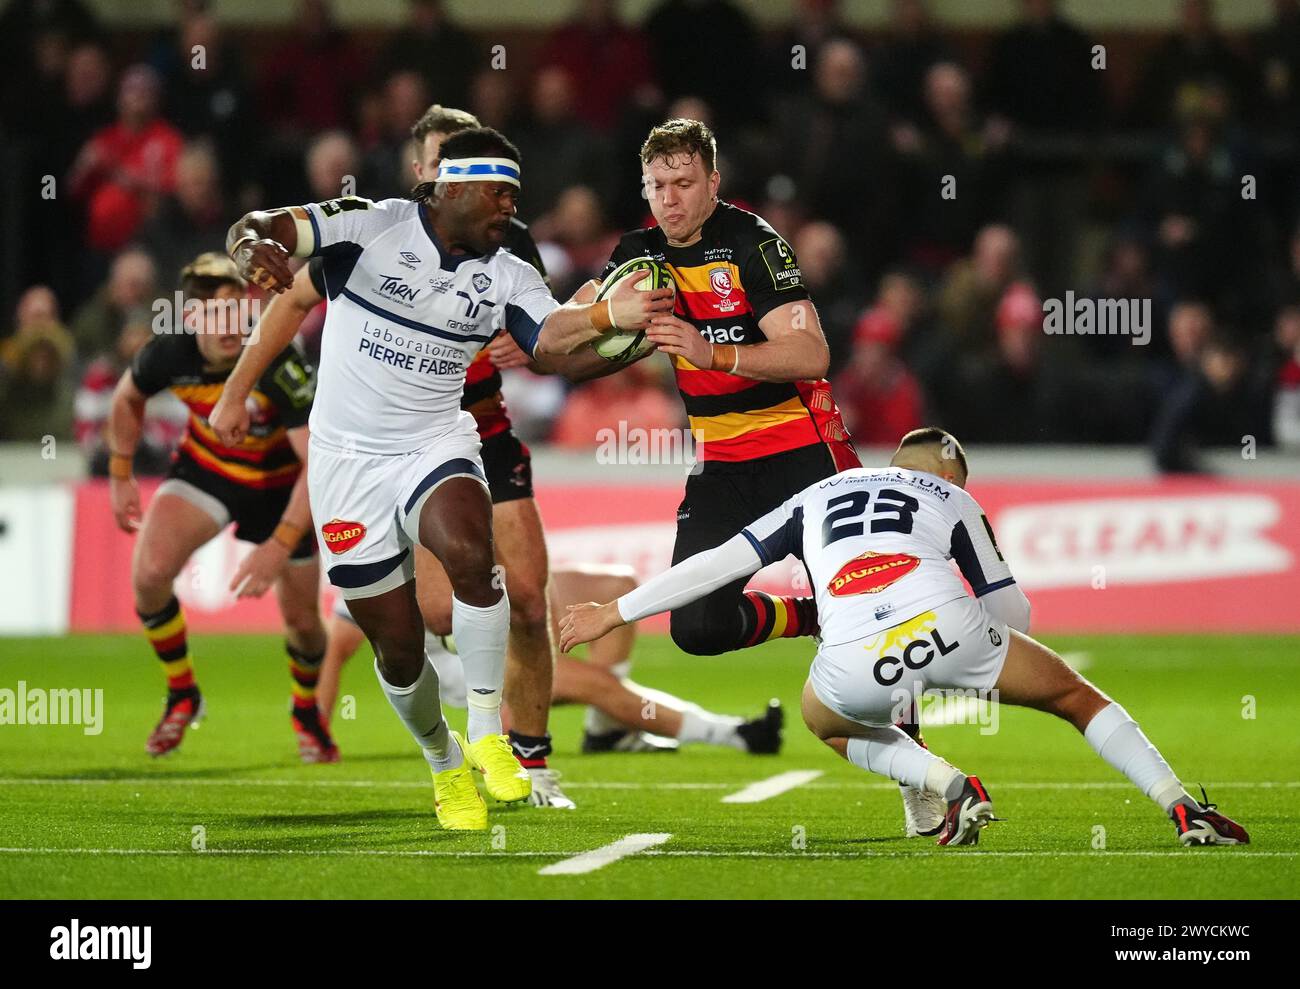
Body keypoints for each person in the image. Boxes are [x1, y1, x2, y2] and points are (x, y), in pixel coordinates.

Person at [209, 127, 672, 831]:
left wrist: (611, 315)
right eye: (498, 193)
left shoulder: (510, 267)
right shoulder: (366, 225)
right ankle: (444, 761)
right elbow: (260, 229)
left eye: (516, 197)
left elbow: (547, 340)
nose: (509, 210)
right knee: (397, 647)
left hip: (434, 440)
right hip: (347, 463)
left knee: (469, 553)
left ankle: (488, 730)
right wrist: (251, 247)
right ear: (450, 188)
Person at [561, 428, 1250, 847]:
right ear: (948, 472)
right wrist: (971, 655)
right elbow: (1015, 616)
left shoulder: (816, 495)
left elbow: (717, 565)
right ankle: (1181, 803)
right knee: (1075, 696)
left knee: (822, 719)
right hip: (950, 624)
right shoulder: (954, 496)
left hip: (852, 653)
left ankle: (947, 782)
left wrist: (615, 612)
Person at [546, 118, 945, 835]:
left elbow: (812, 352)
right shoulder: (636, 258)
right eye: (657, 185)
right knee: (696, 626)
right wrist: (607, 320)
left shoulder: (755, 244)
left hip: (806, 453)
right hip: (722, 463)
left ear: (713, 183)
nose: (669, 199)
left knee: (876, 622)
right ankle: (809, 616)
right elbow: (560, 350)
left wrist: (709, 351)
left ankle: (916, 771)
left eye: (683, 183)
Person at [106, 253, 333, 761]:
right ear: (191, 319)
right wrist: (120, 475)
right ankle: (183, 693)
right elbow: (126, 398)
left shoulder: (279, 359)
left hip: (284, 485)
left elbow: (320, 464)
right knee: (150, 573)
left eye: (238, 310)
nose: (230, 325)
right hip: (209, 471)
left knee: (301, 622)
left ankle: (305, 711)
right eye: (215, 314)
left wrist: (279, 543)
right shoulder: (169, 353)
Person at [318, 565, 783, 756]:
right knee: (599, 686)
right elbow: (338, 650)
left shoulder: (450, 508)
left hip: (499, 627)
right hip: (460, 668)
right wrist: (315, 728)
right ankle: (733, 733)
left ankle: (608, 729)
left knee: (617, 587)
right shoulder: (377, 557)